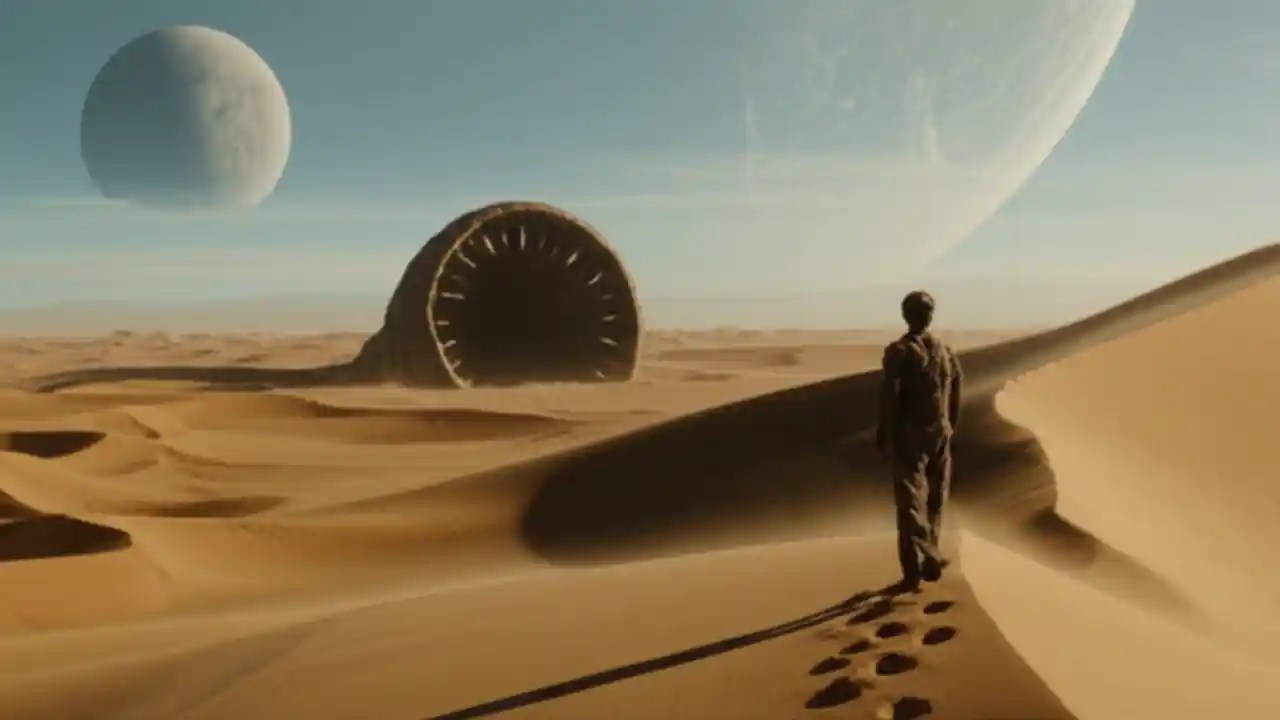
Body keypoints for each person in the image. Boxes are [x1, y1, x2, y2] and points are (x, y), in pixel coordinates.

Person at [876, 290, 963, 590]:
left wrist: (884, 432)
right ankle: (924, 562)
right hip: (939, 432)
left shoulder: (899, 351)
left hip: (910, 434)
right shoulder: (945, 351)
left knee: (910, 501)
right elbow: (958, 389)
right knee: (935, 500)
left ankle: (922, 561)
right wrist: (950, 425)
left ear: (905, 315)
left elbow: (890, 394)